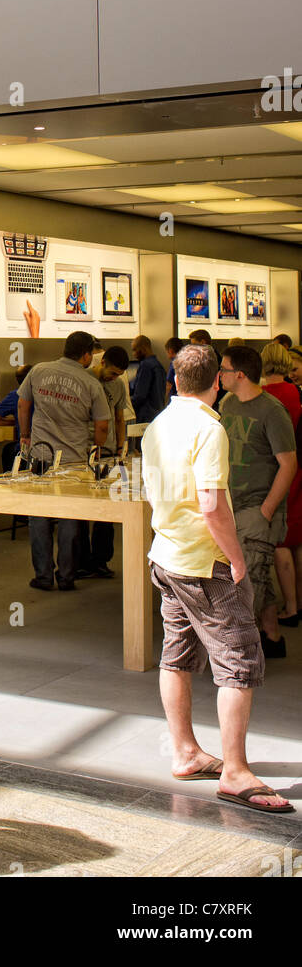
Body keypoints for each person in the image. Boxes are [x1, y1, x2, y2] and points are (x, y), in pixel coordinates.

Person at [142, 344, 292, 814]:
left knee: (177, 654)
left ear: (175, 379)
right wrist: (236, 558)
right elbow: (211, 502)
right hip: (205, 563)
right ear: (214, 381)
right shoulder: (210, 426)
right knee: (240, 662)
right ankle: (235, 770)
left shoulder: (158, 424)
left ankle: (184, 750)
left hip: (166, 554)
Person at [219, 345, 297, 658]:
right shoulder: (228, 403)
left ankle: (243, 650)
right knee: (256, 576)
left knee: (249, 581)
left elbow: (288, 464)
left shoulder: (271, 411)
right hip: (233, 505)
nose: (220, 375)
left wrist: (265, 511)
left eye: (223, 369)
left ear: (240, 374)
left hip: (257, 508)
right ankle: (272, 637)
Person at [17, 331, 109, 591]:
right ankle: (67, 576)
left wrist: (25, 435)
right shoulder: (91, 383)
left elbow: (23, 405)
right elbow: (102, 424)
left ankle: (43, 576)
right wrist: (97, 449)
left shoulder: (38, 371)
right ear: (86, 355)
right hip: (74, 460)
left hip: (40, 457)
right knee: (70, 518)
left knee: (39, 516)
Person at [259, 343, 302, 627]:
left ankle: (290, 606)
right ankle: (299, 600)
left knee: (280, 543)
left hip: (276, 472)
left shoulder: (264, 397)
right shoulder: (295, 392)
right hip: (297, 468)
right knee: (297, 541)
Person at [78, 345, 130, 579]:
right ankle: (80, 561)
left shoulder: (118, 386)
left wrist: (120, 447)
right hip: (84, 449)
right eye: (112, 372)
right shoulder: (84, 379)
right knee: (80, 509)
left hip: (108, 452)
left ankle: (100, 560)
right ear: (103, 362)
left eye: (119, 374)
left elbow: (120, 417)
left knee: (106, 511)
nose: (114, 377)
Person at [130, 335, 165, 424]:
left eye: (135, 350)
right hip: (157, 413)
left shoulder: (146, 365)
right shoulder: (158, 365)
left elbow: (140, 395)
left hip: (145, 416)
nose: (133, 354)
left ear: (143, 348)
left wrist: (128, 406)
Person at [164, 337, 186, 404]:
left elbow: (168, 385)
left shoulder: (175, 362)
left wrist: (163, 401)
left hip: (176, 398)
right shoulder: (187, 361)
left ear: (170, 350)